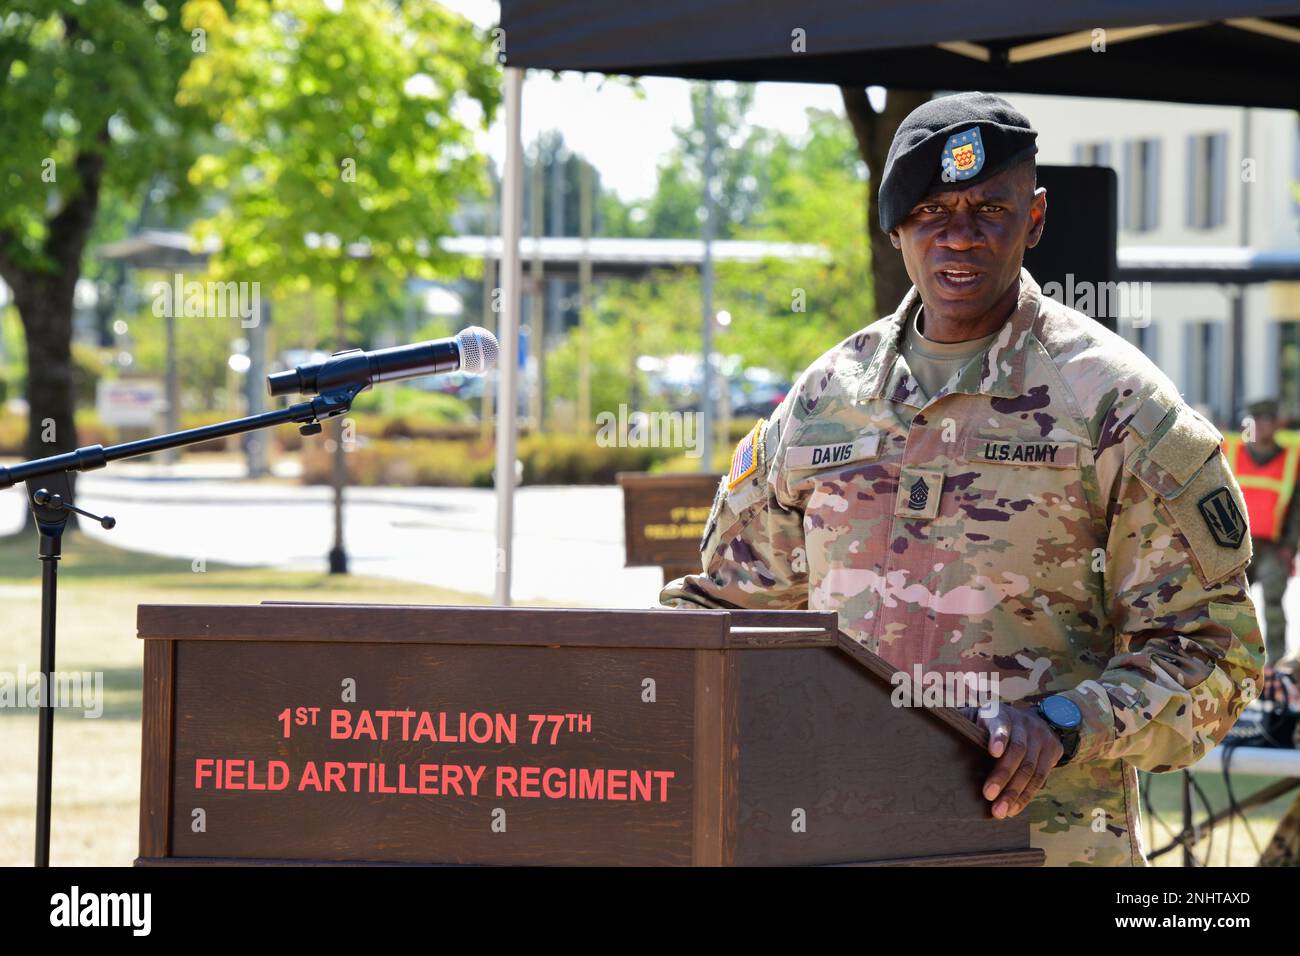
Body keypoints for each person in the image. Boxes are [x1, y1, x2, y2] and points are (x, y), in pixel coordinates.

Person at [659, 91, 1265, 866]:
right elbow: (724, 616)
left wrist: (1066, 722)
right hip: (843, 842)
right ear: (895, 224)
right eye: (933, 210)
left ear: (1036, 217)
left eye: (990, 209)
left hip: (1040, 847)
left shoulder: (1114, 405)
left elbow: (1217, 656)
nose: (961, 236)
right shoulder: (823, 402)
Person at [1222, 398, 1300, 667]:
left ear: (1277, 424)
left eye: (1267, 420)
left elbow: (1296, 508)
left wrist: (1291, 545)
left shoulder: (1290, 459)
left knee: (1274, 607)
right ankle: (1231, 661)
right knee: (1230, 604)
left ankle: (1277, 665)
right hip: (1234, 545)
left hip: (1272, 547)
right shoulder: (1231, 452)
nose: (1262, 426)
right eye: (1257, 421)